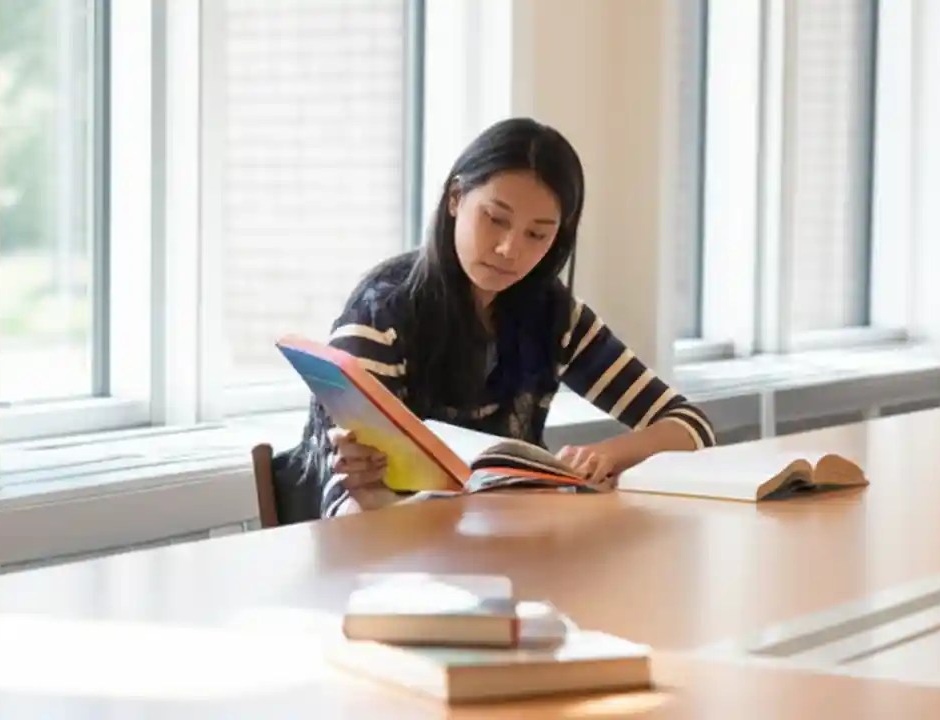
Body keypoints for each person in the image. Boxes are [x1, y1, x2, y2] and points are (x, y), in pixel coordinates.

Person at [294, 117, 716, 518]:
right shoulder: (379, 317)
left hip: (517, 555)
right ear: (455, 199)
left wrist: (606, 454)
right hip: (412, 566)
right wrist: (370, 497)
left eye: (537, 234)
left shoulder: (554, 316)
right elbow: (341, 510)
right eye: (495, 219)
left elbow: (691, 427)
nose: (509, 249)